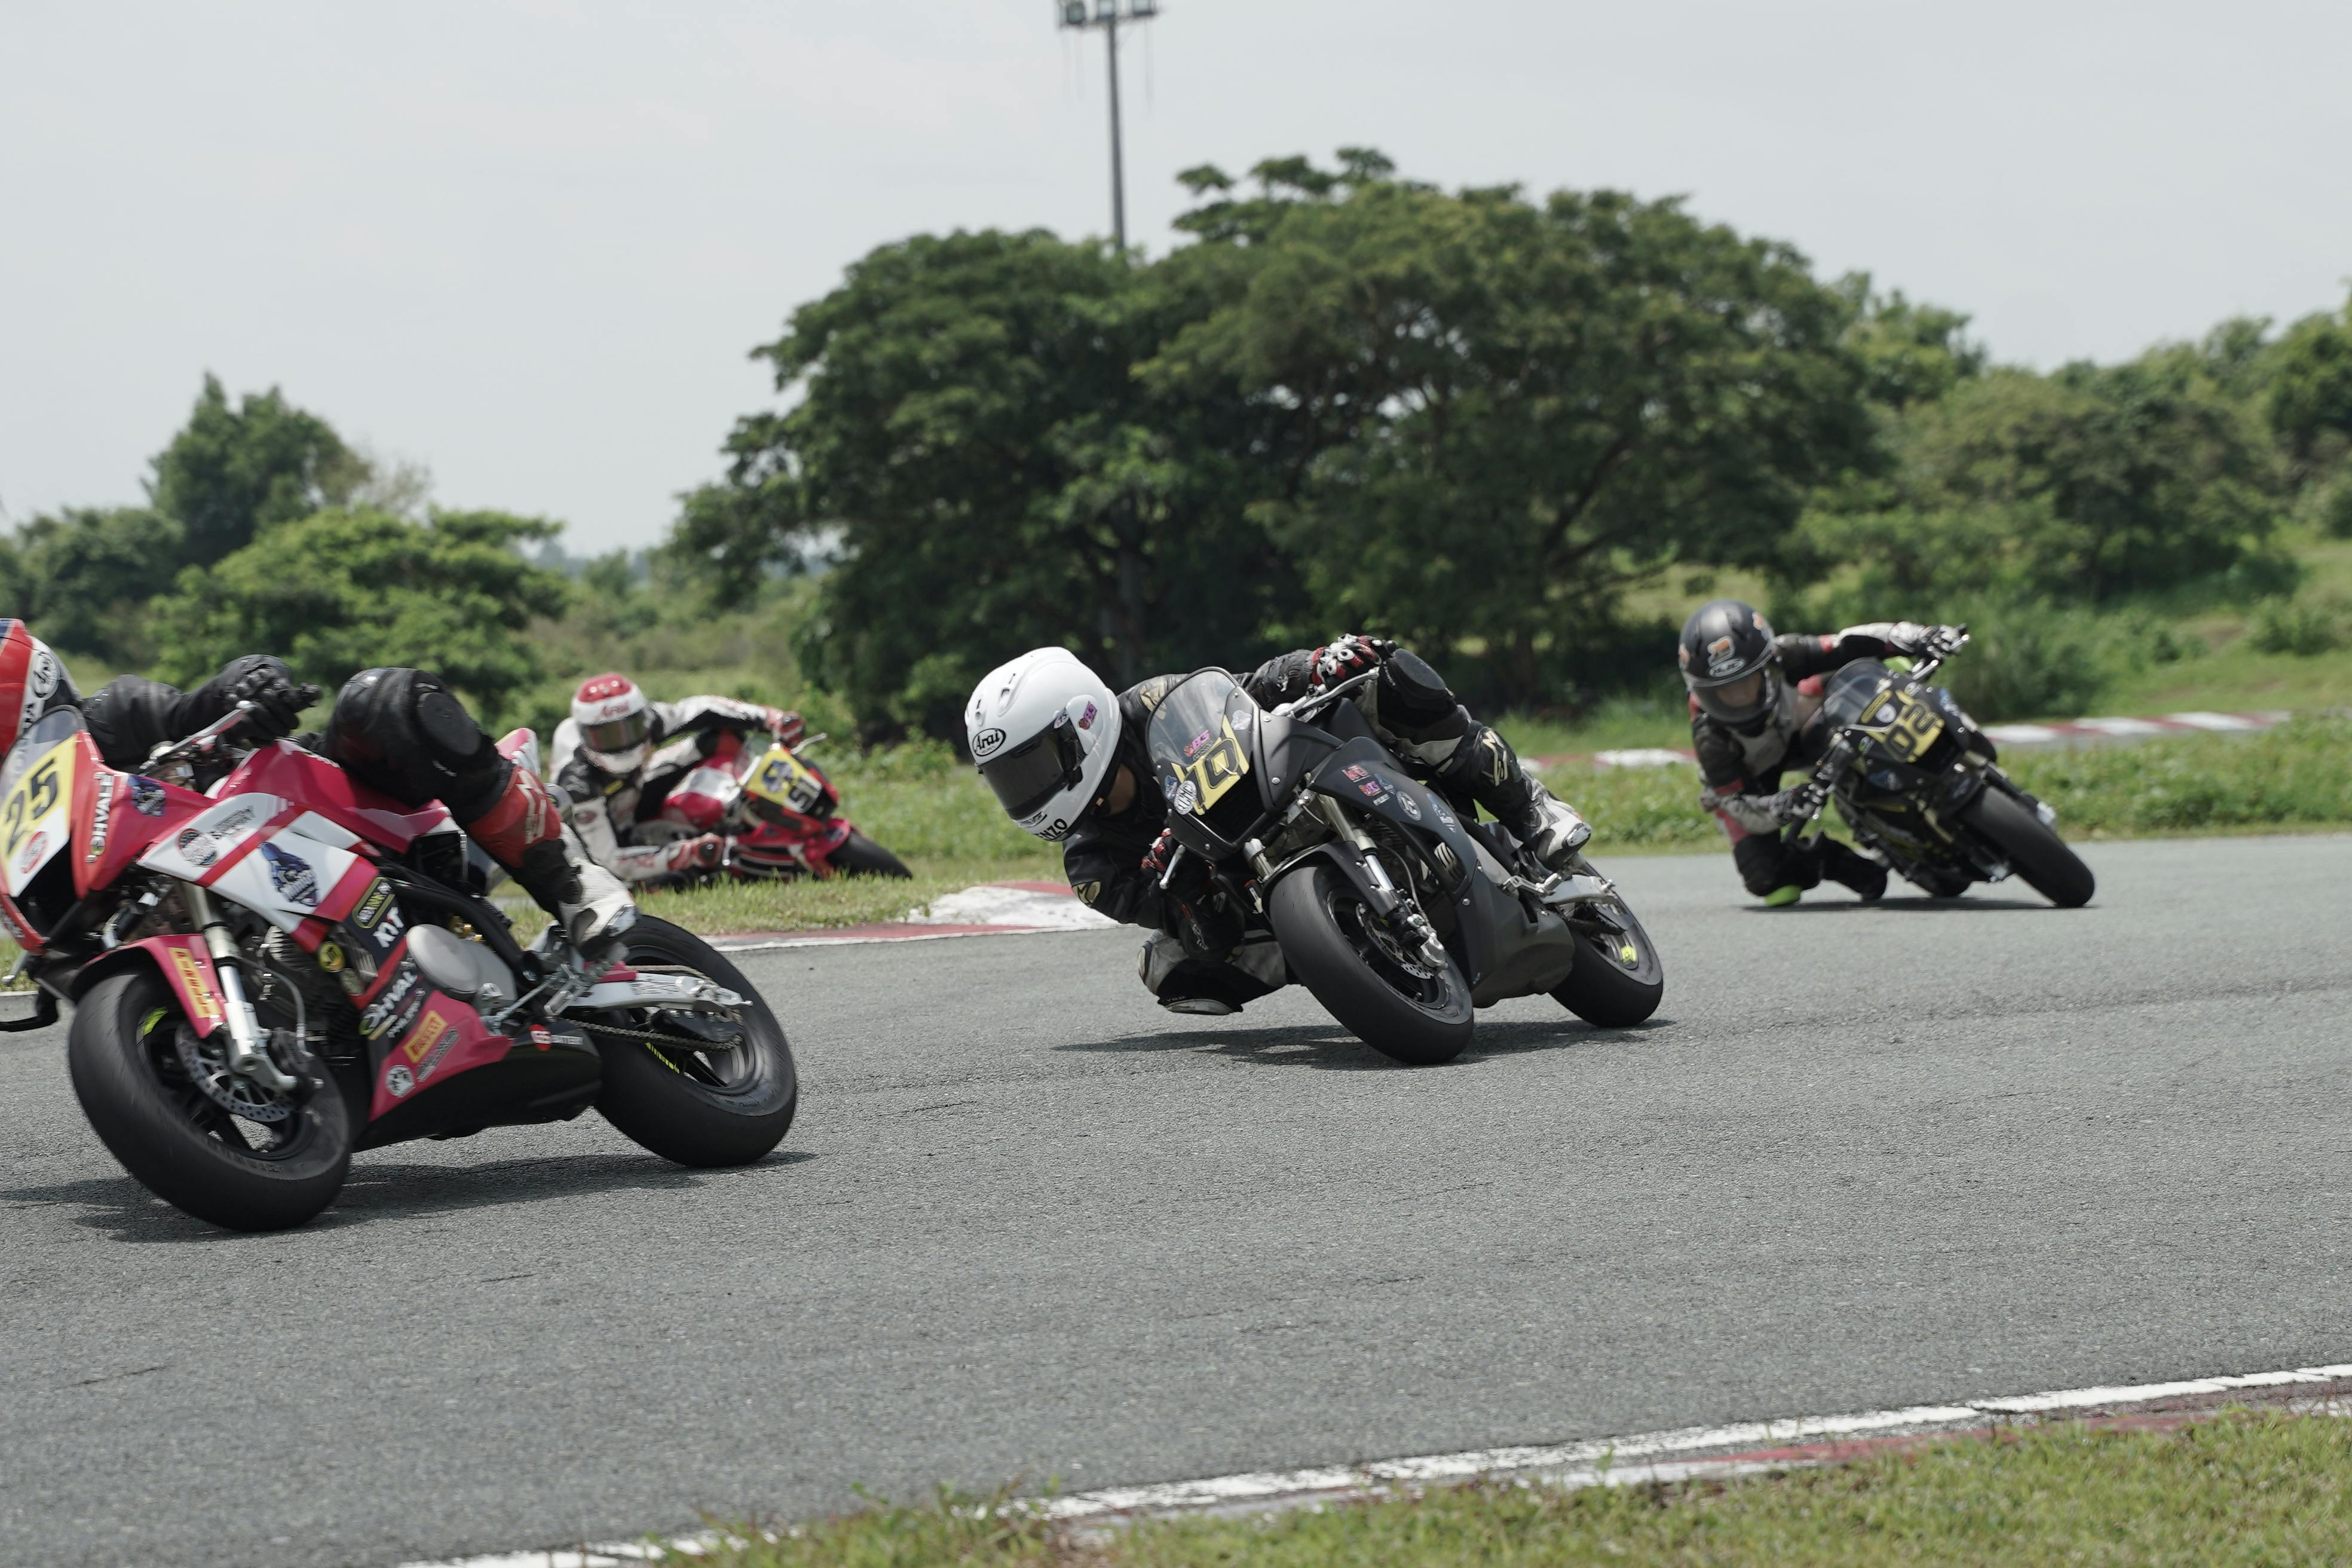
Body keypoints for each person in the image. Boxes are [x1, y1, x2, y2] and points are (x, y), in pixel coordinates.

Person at [964, 636, 1593, 1015]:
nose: (1028, 792)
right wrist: (1180, 890)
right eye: (1009, 780)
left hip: (1285, 785)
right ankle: (1359, 957)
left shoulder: (1151, 703)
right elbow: (1201, 934)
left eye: (1034, 767)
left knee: (1386, 676)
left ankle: (1527, 806)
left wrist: (1318, 663)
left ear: (1081, 725)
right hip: (1251, 888)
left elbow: (1247, 691)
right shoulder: (1094, 868)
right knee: (1170, 967)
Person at [0, 620, 635, 961]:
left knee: (381, 700)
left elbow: (202, 702)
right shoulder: (16, 832)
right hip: (208, 940)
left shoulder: (113, 718)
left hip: (305, 818)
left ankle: (573, 885)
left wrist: (254, 687)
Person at [1678, 598, 1967, 906]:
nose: (1738, 699)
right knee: (1764, 878)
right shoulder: (1712, 739)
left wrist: (1919, 636)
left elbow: (1850, 642)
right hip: (1755, 775)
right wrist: (1784, 805)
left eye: (1746, 683)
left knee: (1862, 681)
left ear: (1768, 664)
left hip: (1810, 726)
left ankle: (1920, 778)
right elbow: (1740, 808)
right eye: (1723, 692)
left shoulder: (1786, 653)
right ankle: (1830, 860)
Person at [547, 673, 803, 885]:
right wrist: (687, 854)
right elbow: (609, 859)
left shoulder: (652, 720)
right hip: (597, 846)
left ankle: (752, 812)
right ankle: (691, 857)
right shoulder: (577, 782)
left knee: (721, 737)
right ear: (585, 736)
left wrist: (772, 719)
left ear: (643, 718)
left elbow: (702, 708)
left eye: (630, 728)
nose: (622, 742)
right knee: (670, 881)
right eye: (609, 736)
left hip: (634, 791)